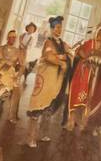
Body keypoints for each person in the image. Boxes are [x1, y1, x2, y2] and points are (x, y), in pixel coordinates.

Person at [25, 16, 71, 147]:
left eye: (60, 27)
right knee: (38, 105)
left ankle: (43, 134)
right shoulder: (48, 42)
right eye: (56, 27)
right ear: (52, 29)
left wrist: (66, 56)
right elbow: (49, 57)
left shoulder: (62, 43)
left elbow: (70, 52)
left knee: (49, 106)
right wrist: (61, 61)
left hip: (56, 80)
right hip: (46, 77)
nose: (59, 30)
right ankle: (31, 137)